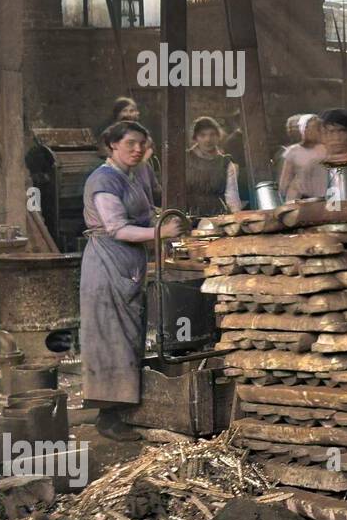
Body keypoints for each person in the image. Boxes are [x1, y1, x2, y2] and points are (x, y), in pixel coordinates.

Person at [81, 121, 184, 441]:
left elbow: (141, 213)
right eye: (130, 143)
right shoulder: (103, 180)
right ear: (112, 145)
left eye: (141, 143)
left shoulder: (130, 175)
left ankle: (123, 408)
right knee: (110, 340)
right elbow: (117, 228)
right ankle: (107, 418)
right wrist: (160, 233)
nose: (137, 149)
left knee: (127, 338)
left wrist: (159, 218)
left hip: (128, 266)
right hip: (106, 265)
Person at [186, 117, 242, 217]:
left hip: (217, 217)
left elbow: (232, 197)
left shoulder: (226, 163)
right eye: (202, 135)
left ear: (218, 136)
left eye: (212, 134)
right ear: (195, 138)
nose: (208, 139)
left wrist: (237, 218)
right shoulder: (185, 159)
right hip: (188, 216)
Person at [279, 114, 327, 201]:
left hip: (324, 197)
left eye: (314, 128)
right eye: (307, 127)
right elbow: (285, 179)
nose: (310, 131)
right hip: (300, 198)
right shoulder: (293, 151)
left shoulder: (326, 150)